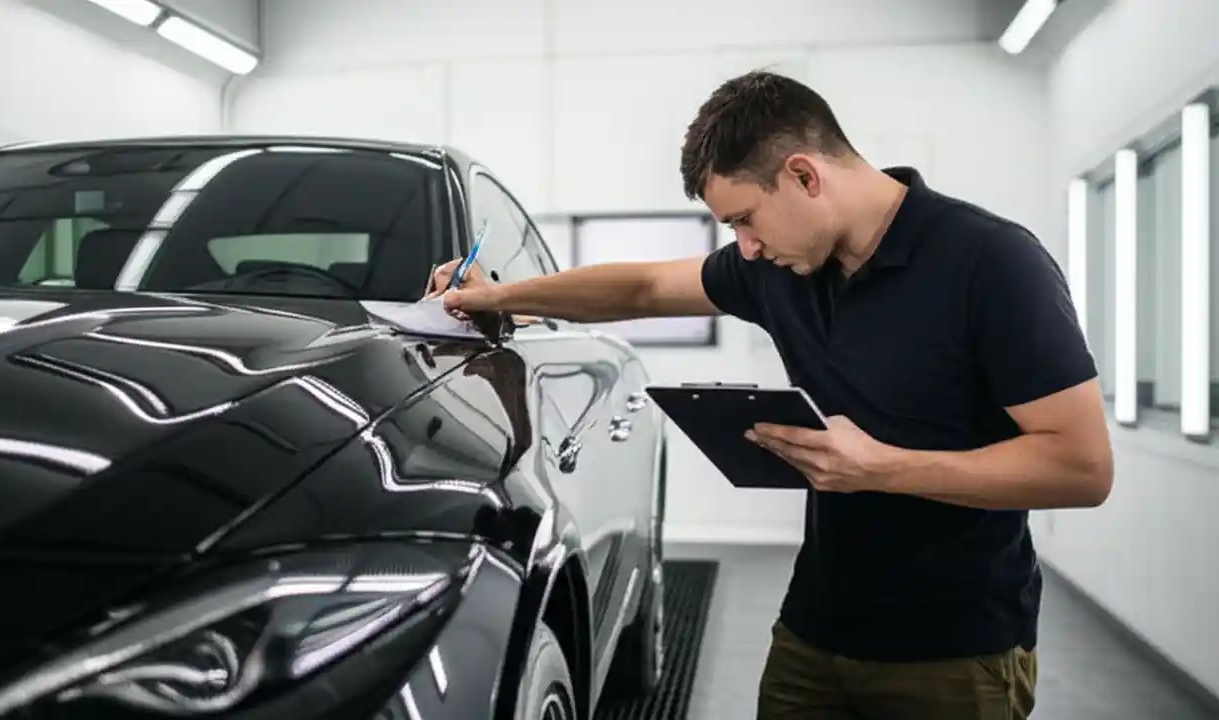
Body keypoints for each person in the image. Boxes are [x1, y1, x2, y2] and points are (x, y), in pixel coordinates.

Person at [427, 70, 1114, 719]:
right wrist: (498, 297)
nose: (745, 247)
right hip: (812, 633)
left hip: (955, 653)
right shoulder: (779, 272)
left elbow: (1081, 468)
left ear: (804, 176)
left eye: (745, 220)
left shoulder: (992, 264)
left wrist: (883, 467)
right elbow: (641, 288)